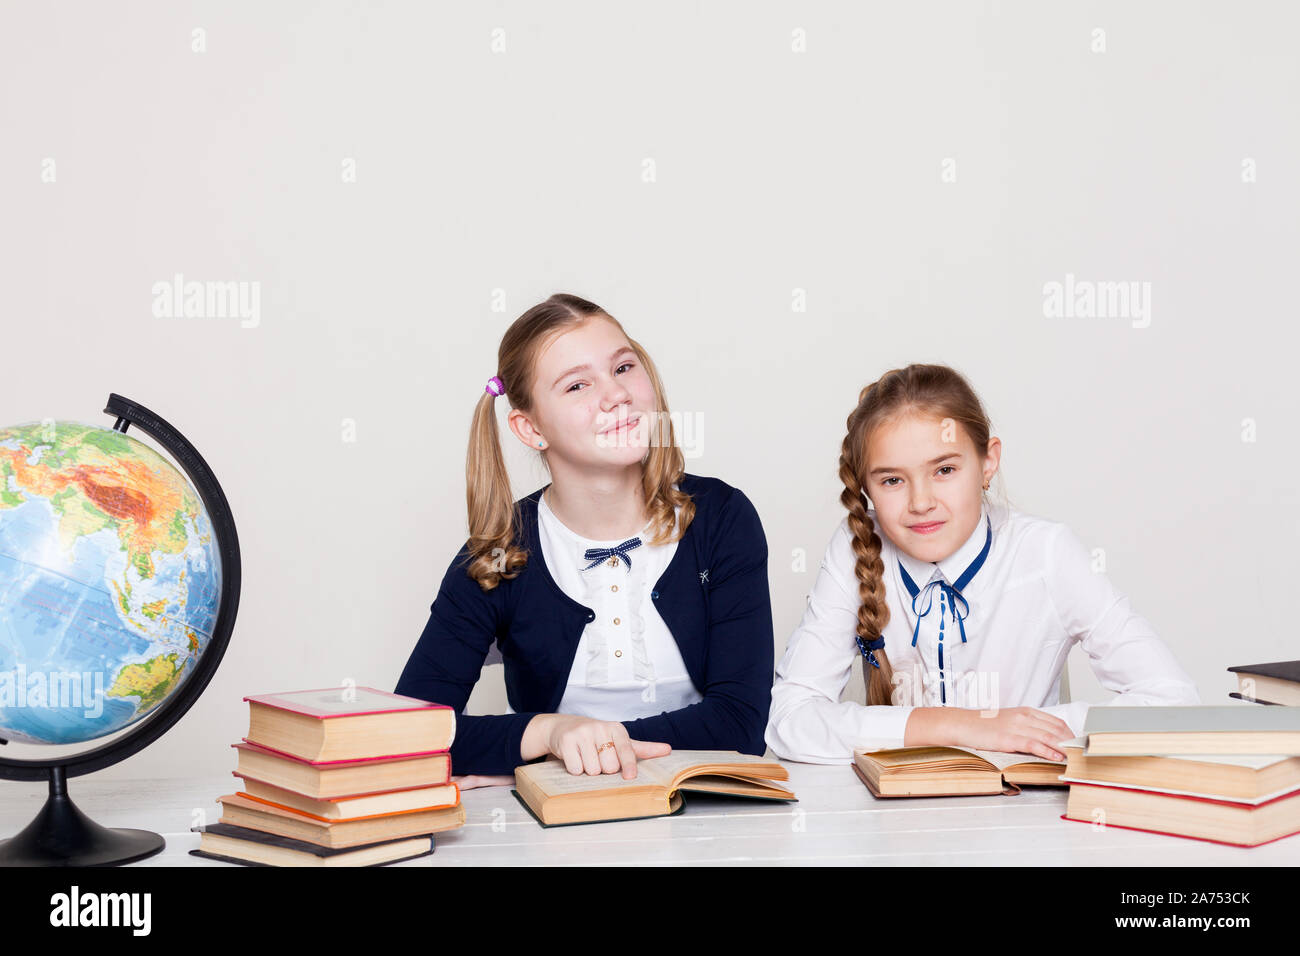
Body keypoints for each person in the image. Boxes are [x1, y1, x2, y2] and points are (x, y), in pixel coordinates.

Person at [395, 293, 773, 786]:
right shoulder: (498, 555)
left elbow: (740, 725)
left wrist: (559, 756)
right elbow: (406, 736)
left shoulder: (721, 518)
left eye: (623, 368)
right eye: (577, 385)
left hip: (709, 818)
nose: (616, 395)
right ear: (529, 429)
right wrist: (549, 733)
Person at [765, 363, 1199, 765]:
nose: (921, 503)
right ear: (866, 487)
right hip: (897, 827)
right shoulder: (854, 548)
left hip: (1026, 819)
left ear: (988, 462)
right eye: (893, 480)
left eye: (945, 470)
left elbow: (1173, 700)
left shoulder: (1045, 551)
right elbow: (788, 721)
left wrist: (1030, 726)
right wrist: (963, 725)